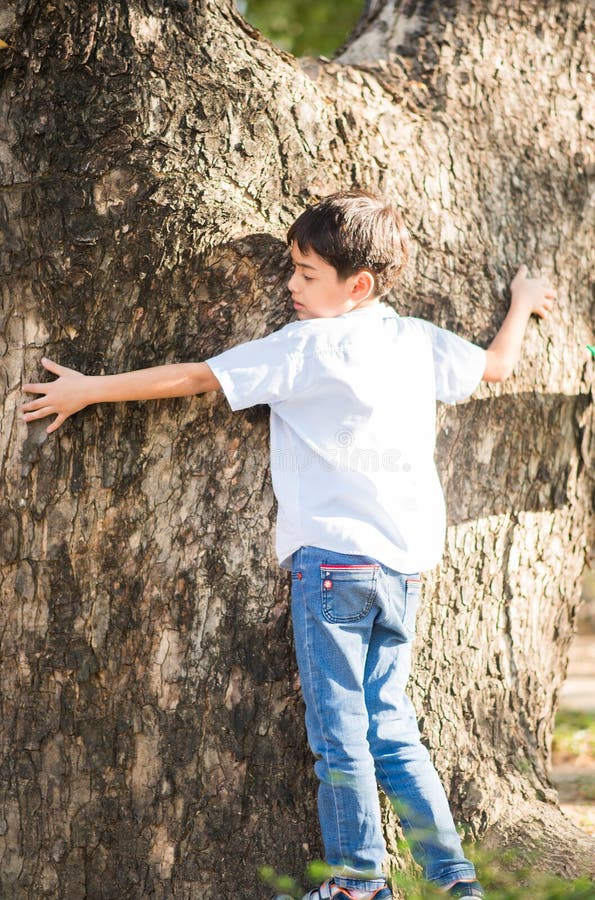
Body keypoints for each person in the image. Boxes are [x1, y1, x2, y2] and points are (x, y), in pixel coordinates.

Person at [22, 191, 555, 900]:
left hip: (334, 566)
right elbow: (494, 368)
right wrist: (519, 304)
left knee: (340, 734)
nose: (290, 286)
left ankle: (359, 881)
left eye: (305, 273)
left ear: (355, 285)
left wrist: (89, 390)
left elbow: (195, 377)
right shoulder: (415, 339)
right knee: (390, 729)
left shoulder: (307, 347)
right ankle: (455, 878)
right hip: (402, 569)